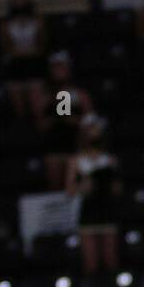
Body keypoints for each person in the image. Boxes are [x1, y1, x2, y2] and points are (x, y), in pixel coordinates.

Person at [65, 115, 122, 275]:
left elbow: (118, 189)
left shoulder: (110, 159)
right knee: (90, 262)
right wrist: (82, 186)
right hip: (88, 211)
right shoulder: (76, 160)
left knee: (110, 259)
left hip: (107, 209)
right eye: (90, 130)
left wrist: (110, 182)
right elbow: (69, 190)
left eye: (96, 130)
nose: (93, 134)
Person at [40, 52, 95, 189]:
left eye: (61, 68)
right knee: (55, 186)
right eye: (55, 68)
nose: (58, 72)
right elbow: (40, 123)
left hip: (75, 146)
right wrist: (57, 118)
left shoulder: (80, 95)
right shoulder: (46, 95)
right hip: (54, 147)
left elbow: (90, 121)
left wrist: (75, 121)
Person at [0, 0, 47, 122]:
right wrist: (23, 52)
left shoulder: (38, 21)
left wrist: (27, 52)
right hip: (16, 66)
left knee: (37, 106)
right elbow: (6, 48)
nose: (19, 4)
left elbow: (42, 45)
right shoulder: (6, 24)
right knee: (19, 109)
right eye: (16, 0)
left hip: (33, 65)